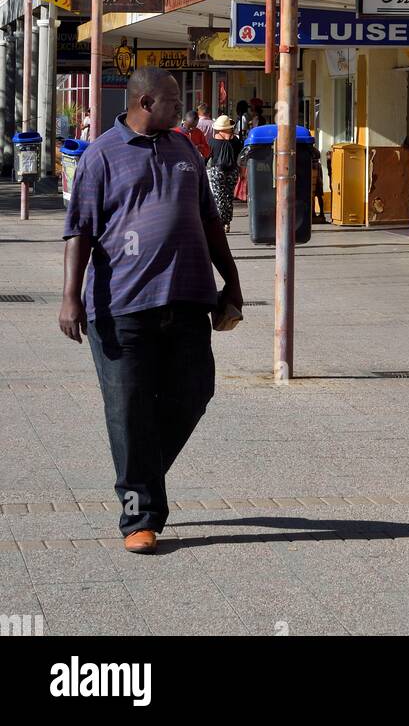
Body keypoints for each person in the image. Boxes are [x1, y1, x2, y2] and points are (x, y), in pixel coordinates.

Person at [58, 67, 244, 554]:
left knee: (195, 389)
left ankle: (139, 474)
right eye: (172, 100)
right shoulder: (102, 155)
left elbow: (209, 220)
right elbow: (79, 229)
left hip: (186, 298)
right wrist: (70, 296)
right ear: (144, 102)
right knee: (129, 407)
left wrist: (233, 282)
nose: (181, 109)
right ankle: (139, 514)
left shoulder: (184, 148)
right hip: (120, 306)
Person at [208, 114, 242, 232]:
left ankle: (221, 222)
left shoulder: (212, 140)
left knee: (219, 197)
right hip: (233, 171)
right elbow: (240, 156)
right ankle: (227, 222)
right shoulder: (236, 141)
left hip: (218, 171)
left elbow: (207, 157)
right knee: (229, 196)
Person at [310, 142, 326, 223]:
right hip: (318, 177)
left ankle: (315, 213)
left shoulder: (310, 151)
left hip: (314, 176)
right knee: (318, 196)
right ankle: (320, 212)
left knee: (313, 196)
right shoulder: (316, 151)